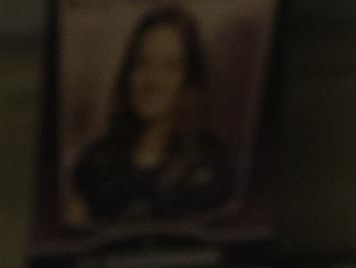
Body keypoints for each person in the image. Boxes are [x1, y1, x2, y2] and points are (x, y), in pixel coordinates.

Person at [68, 3, 236, 227]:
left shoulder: (211, 171)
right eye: (143, 63)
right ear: (128, 72)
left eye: (170, 67)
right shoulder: (94, 165)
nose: (153, 81)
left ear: (189, 81)